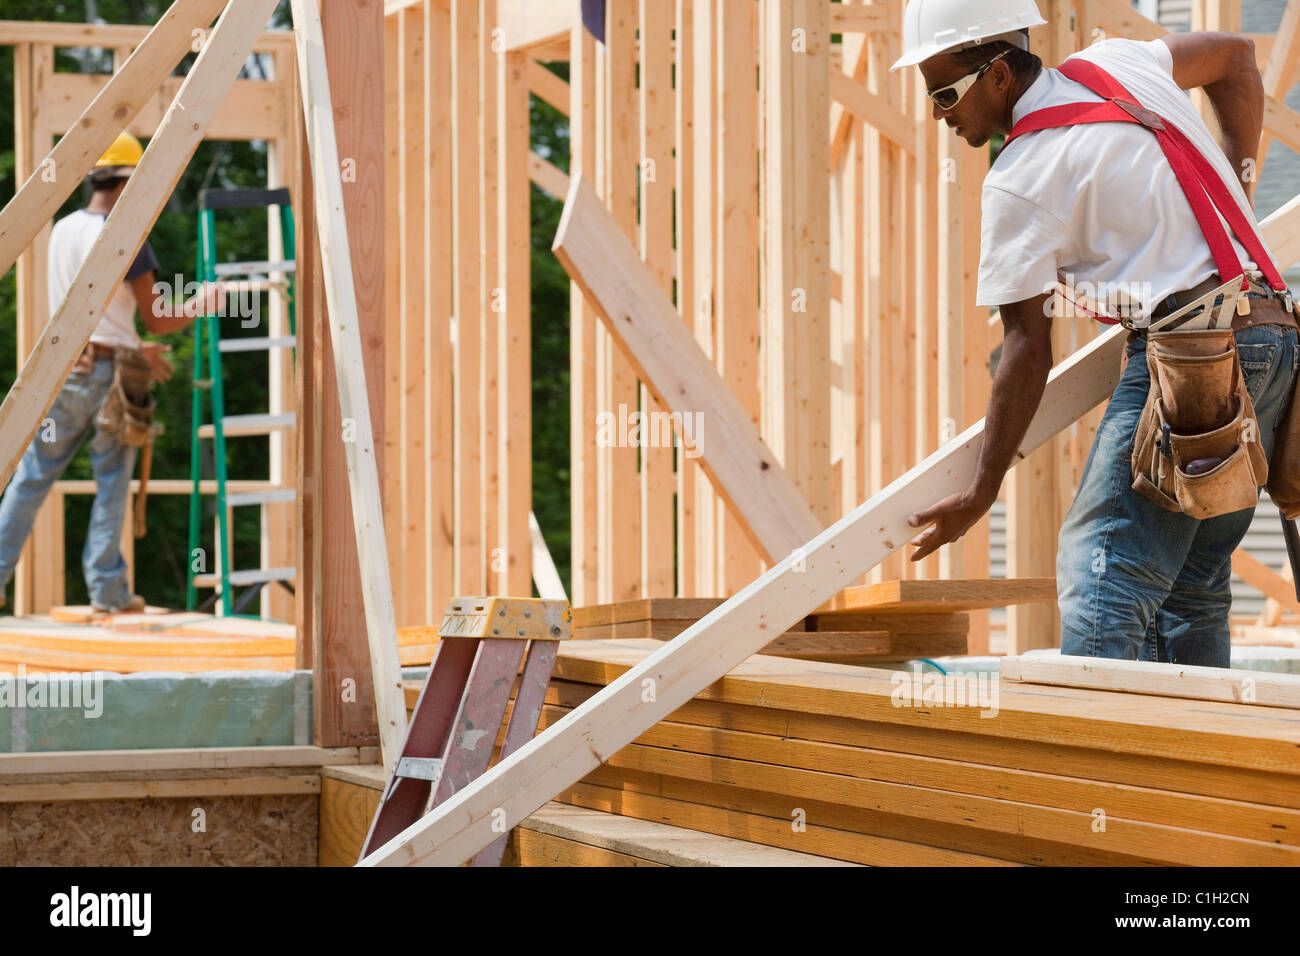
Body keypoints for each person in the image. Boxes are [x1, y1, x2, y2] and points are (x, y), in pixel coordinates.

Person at [894, 0, 1299, 667]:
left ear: (998, 75)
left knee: (1101, 573)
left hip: (1191, 355)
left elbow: (1025, 349)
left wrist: (983, 487)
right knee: (1189, 589)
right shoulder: (1115, 64)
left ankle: (1099, 764)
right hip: (1273, 336)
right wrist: (1237, 185)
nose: (939, 113)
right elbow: (1235, 57)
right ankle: (1197, 762)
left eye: (945, 93)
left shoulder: (1019, 179)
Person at [0, 132, 220, 616]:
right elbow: (159, 315)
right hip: (111, 379)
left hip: (62, 369)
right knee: (112, 478)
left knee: (32, 477)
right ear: (128, 181)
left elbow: (91, 311)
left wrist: (132, 339)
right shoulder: (124, 234)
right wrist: (202, 304)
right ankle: (108, 592)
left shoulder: (63, 229)